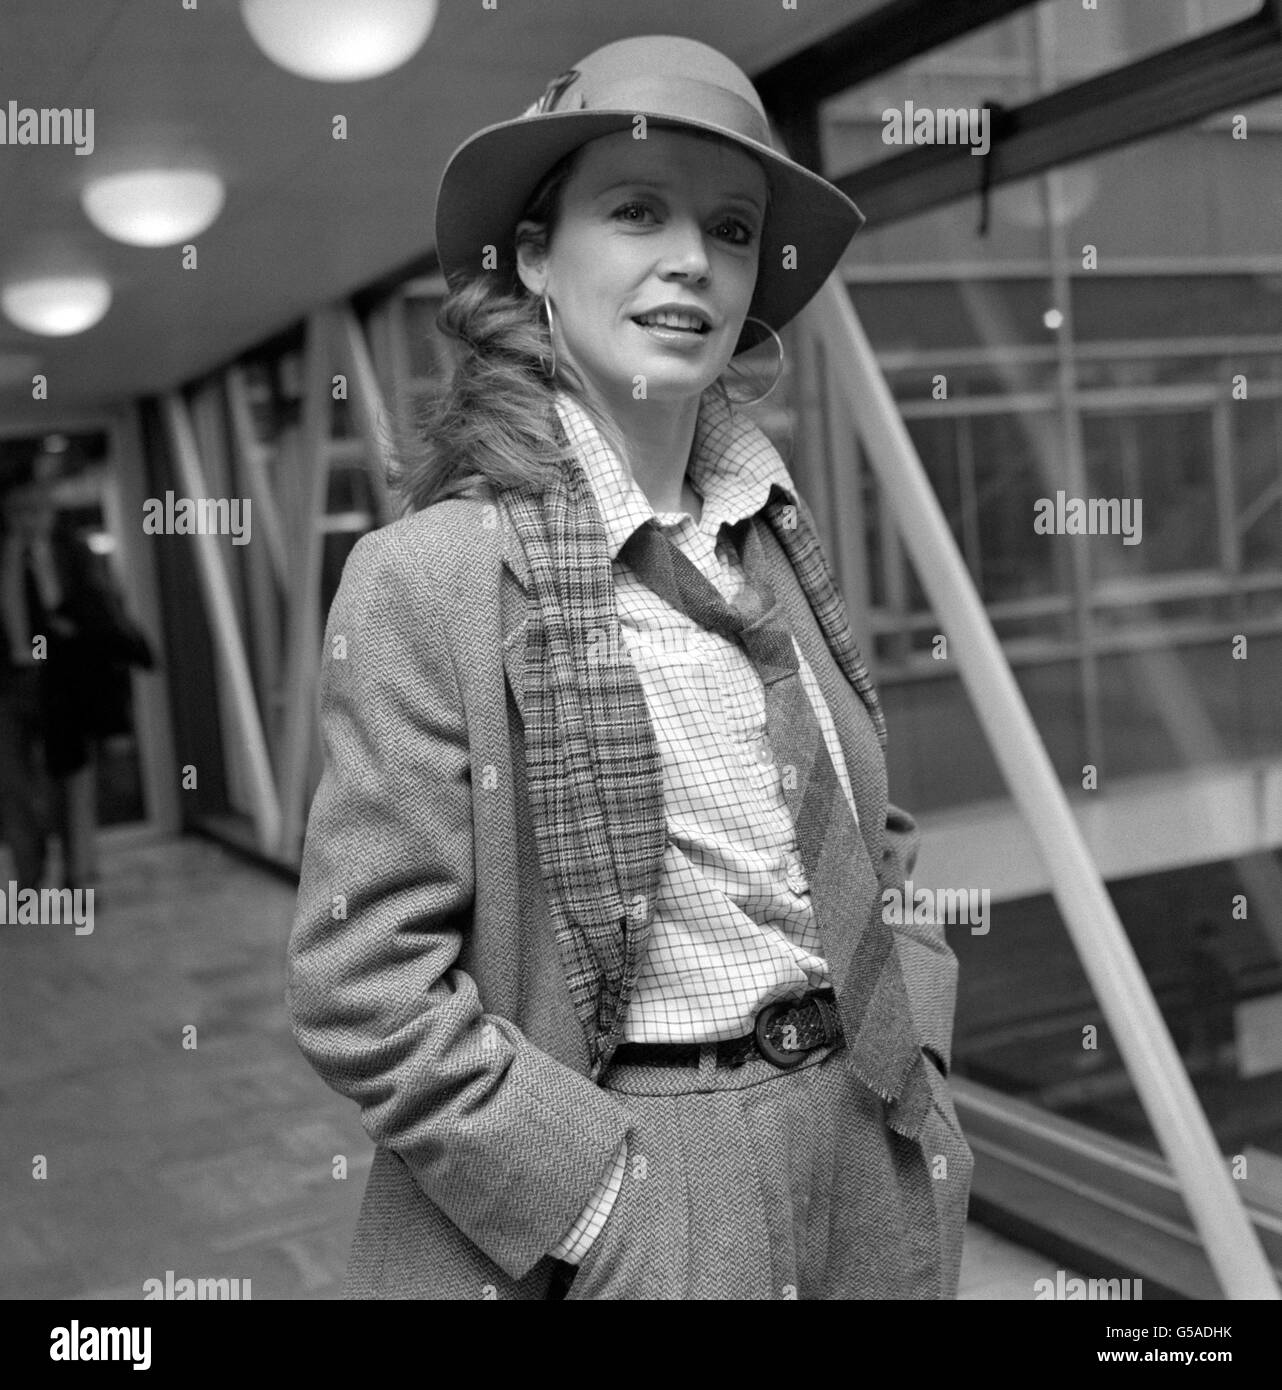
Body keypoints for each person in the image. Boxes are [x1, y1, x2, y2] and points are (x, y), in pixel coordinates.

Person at [288, 34, 972, 1301]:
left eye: (728, 229)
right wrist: (607, 1212)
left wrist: (915, 1049)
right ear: (536, 255)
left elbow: (871, 840)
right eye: (636, 210)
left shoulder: (773, 542)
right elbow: (360, 984)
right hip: (645, 1162)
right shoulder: (429, 574)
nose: (691, 261)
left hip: (865, 1130)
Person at [0, 472, 153, 892]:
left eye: (37, 510)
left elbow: (101, 613)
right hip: (10, 684)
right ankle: (29, 881)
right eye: (18, 512)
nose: (28, 520)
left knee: (73, 783)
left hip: (64, 684)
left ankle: (80, 879)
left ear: (51, 514)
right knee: (14, 787)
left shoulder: (73, 553)